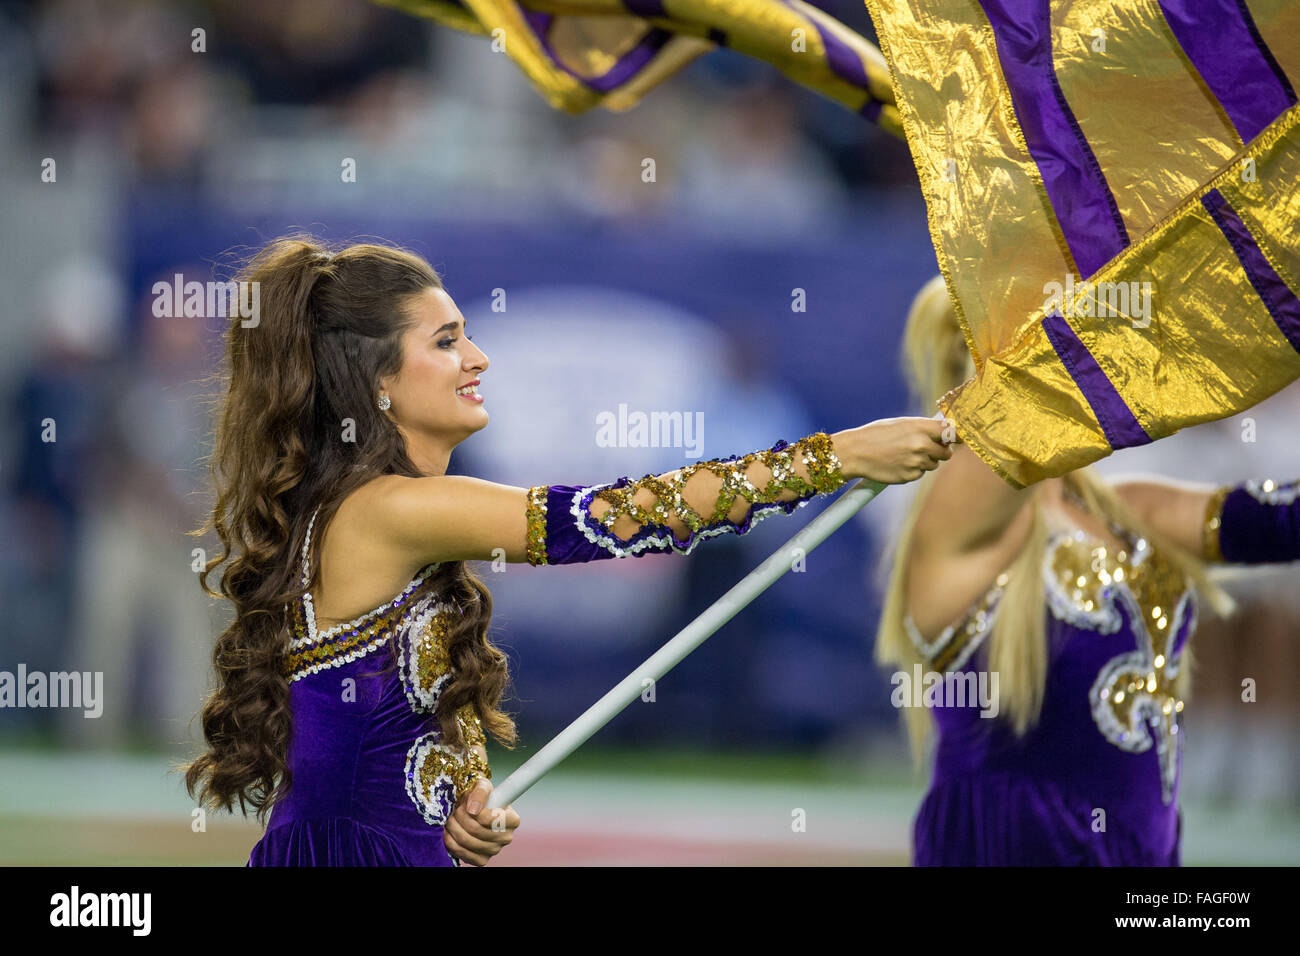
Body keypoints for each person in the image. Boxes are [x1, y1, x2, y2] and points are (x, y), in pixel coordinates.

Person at [181, 235, 955, 867]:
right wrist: (837, 457)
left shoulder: (389, 512)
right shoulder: (387, 509)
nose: (478, 359)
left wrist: (458, 807)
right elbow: (611, 518)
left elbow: (392, 730)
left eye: (469, 336)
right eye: (447, 342)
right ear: (377, 380)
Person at [875, 276, 1300, 865]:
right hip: (1014, 846)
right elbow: (1005, 441)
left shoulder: (1133, 511)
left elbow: (1281, 522)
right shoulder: (955, 519)